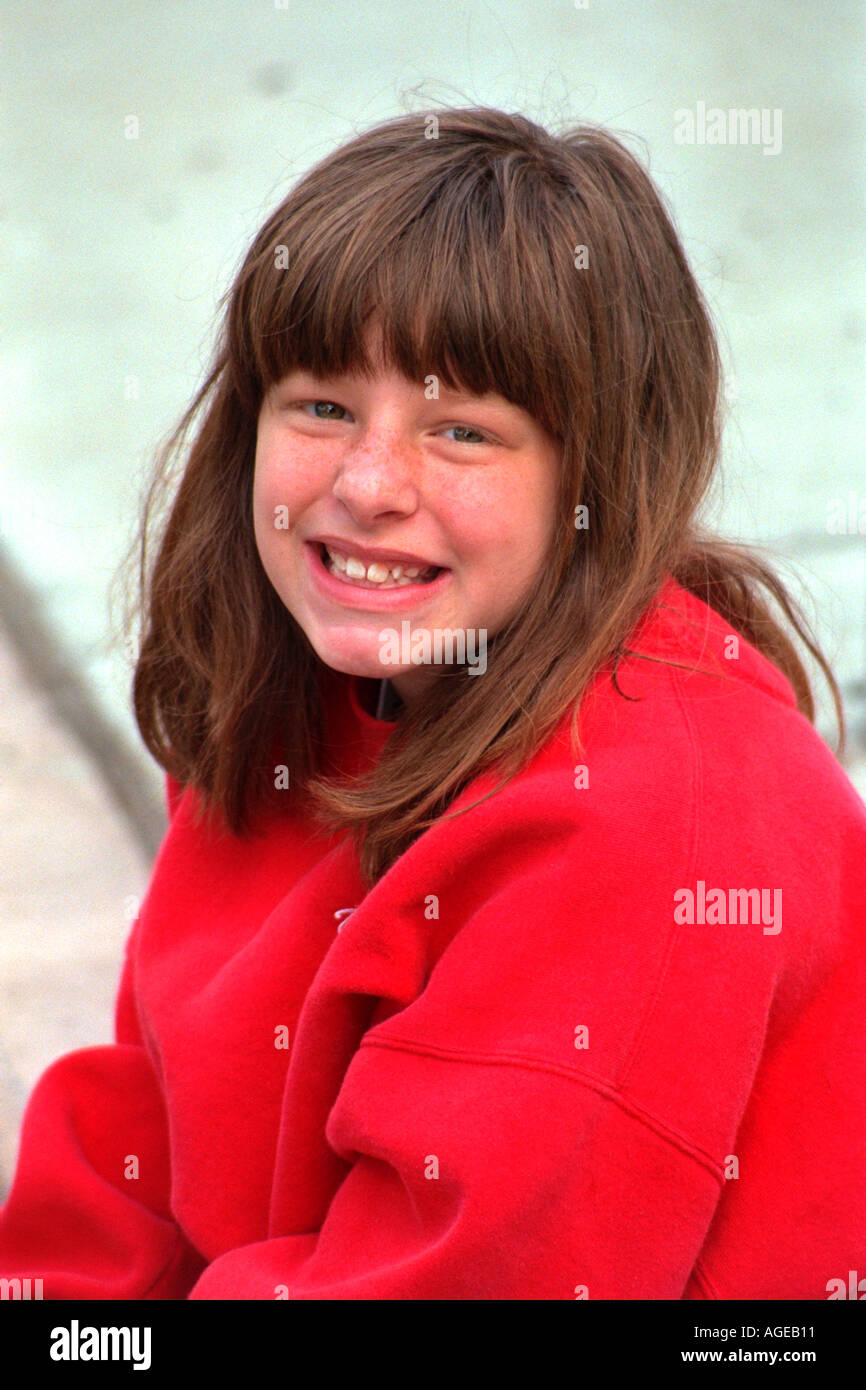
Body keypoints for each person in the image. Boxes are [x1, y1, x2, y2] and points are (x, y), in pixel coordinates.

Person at [1, 105, 864, 1301]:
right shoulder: (303, 683)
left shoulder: (651, 825)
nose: (366, 485)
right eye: (320, 406)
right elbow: (143, 1142)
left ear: (596, 481)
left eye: (461, 431)